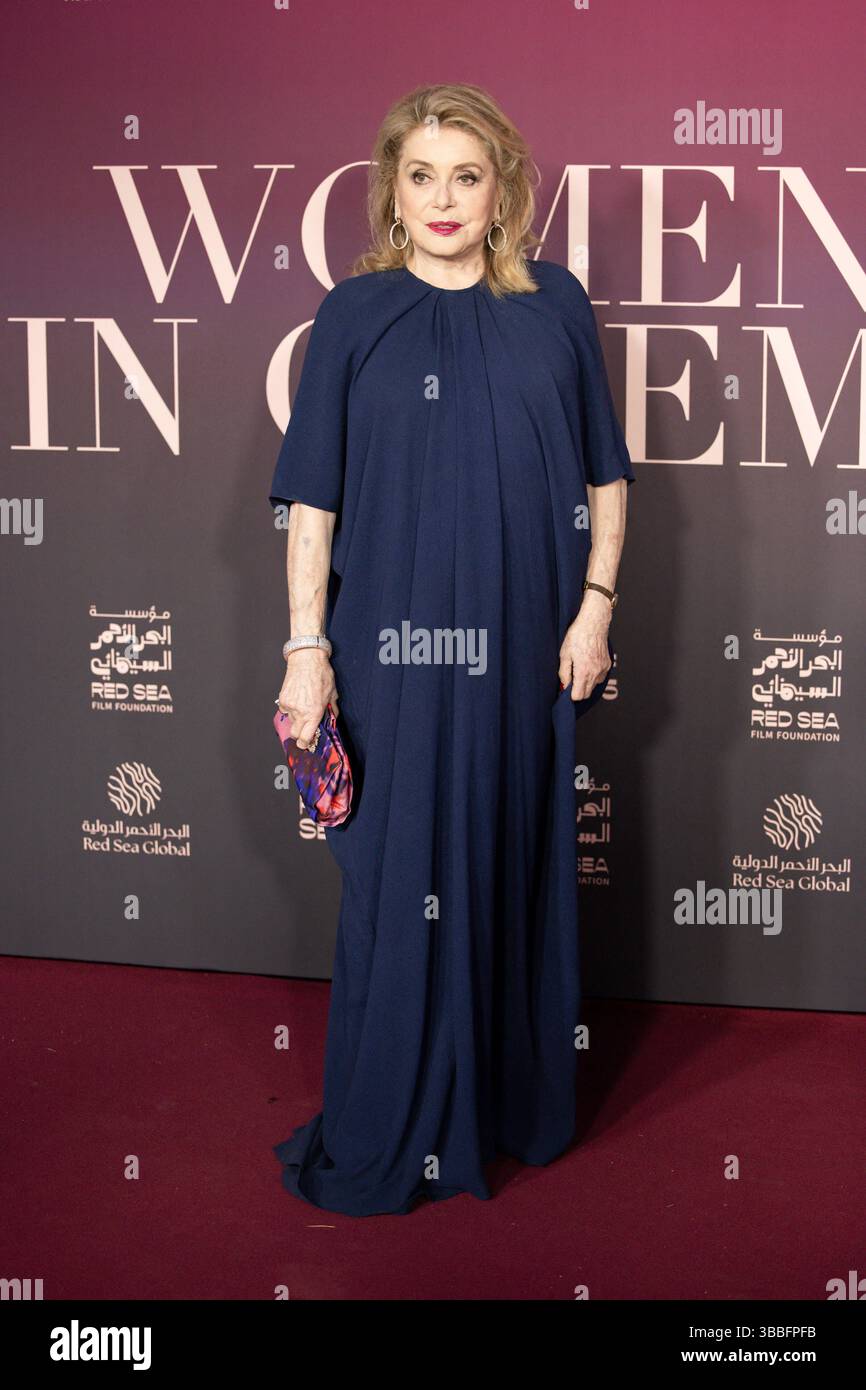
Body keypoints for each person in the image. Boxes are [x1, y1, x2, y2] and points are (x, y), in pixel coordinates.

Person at [269, 83, 635, 1217]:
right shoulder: (352, 316)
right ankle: (394, 1115)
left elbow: (605, 479)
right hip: (390, 652)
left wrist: (594, 609)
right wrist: (304, 650)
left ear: (502, 189)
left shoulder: (555, 309)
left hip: (527, 648)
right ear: (391, 188)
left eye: (464, 176)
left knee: (508, 856)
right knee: (399, 877)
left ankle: (502, 1101)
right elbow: (312, 507)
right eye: (420, 175)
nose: (442, 198)